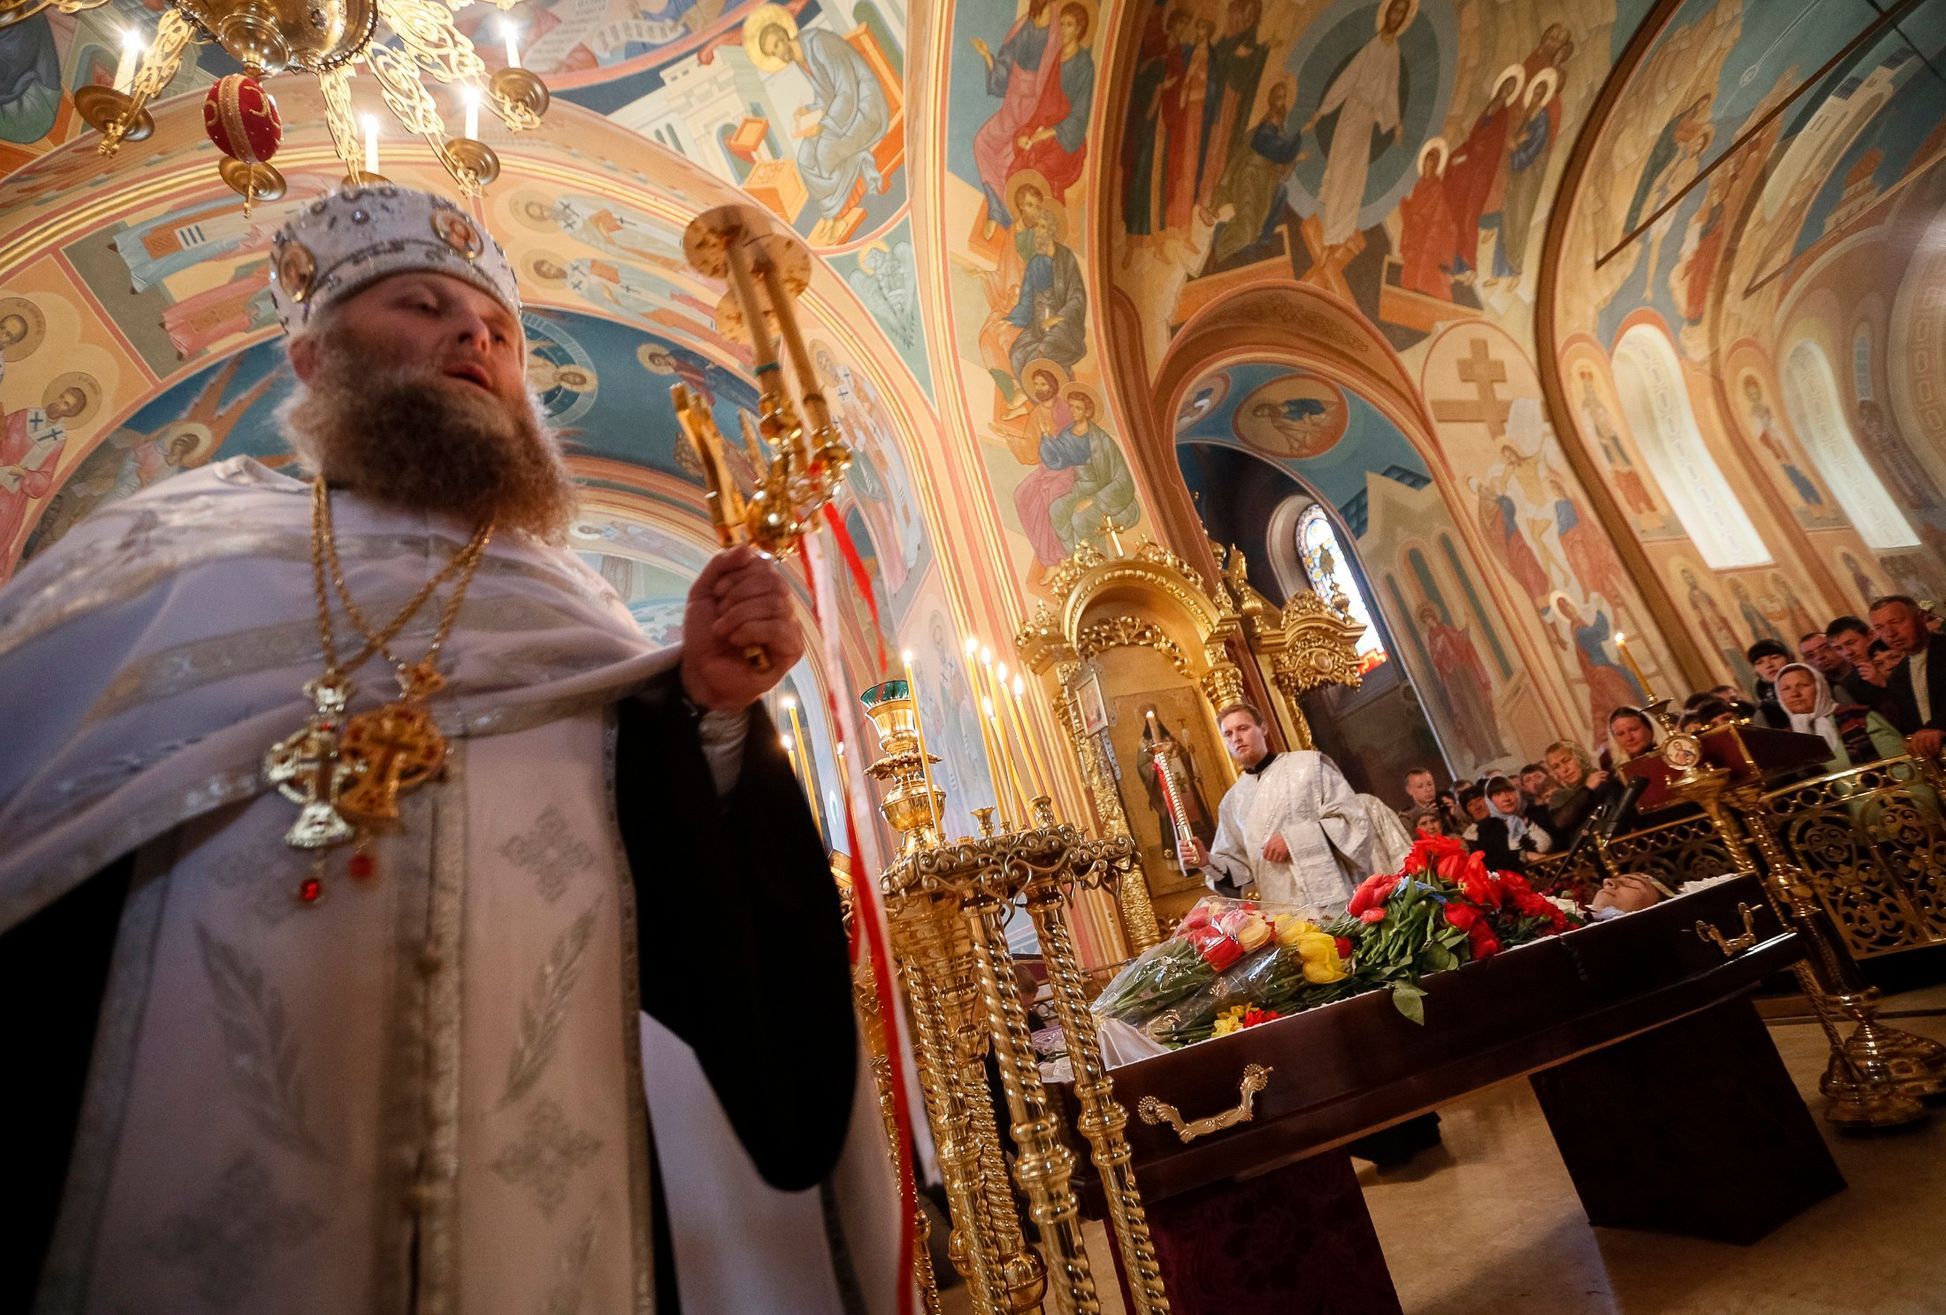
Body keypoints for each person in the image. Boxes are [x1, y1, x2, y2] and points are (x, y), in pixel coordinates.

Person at [0, 189, 900, 1313]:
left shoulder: (576, 617)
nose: (475, 336)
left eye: (501, 331)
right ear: (314, 354)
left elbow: (697, 936)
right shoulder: (164, 554)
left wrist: (712, 714)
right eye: (421, 305)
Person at [1181, 702, 1377, 908]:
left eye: (1243, 728)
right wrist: (1206, 861)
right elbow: (1242, 872)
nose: (1236, 738)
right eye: (1228, 734)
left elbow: (1353, 821)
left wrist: (1294, 839)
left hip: (1330, 900)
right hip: (1280, 910)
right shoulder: (1231, 802)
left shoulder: (1309, 766)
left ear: (1263, 728)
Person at [1773, 662, 1904, 772]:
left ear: (1820, 687)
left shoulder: (1858, 717)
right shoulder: (1785, 739)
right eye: (1786, 689)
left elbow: (1901, 764)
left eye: (1803, 685)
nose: (1795, 693)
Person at [1869, 595, 1946, 757]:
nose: (1890, 633)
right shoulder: (1898, 676)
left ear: (1921, 616)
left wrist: (1939, 725)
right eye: (1879, 627)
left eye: (1896, 622)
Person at [1542, 739, 1618, 845]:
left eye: (1566, 760)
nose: (1564, 769)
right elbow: (1560, 822)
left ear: (1580, 757)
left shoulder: (1607, 779)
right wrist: (1587, 789)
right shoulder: (1559, 796)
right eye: (1556, 767)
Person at [1470, 775, 1552, 872]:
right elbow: (1493, 862)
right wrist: (1524, 855)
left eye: (1509, 791)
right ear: (1489, 800)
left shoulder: (1538, 813)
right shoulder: (1487, 829)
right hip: (1520, 884)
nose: (1506, 798)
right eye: (1498, 794)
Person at [1746, 638, 1790, 705]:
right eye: (1759, 662)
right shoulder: (1761, 690)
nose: (1768, 665)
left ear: (1788, 659)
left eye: (1774, 657)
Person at [1398, 765, 1441, 831]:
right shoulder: (1407, 819)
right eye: (1420, 786)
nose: (1428, 789)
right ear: (1409, 790)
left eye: (1430, 784)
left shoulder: (1445, 807)